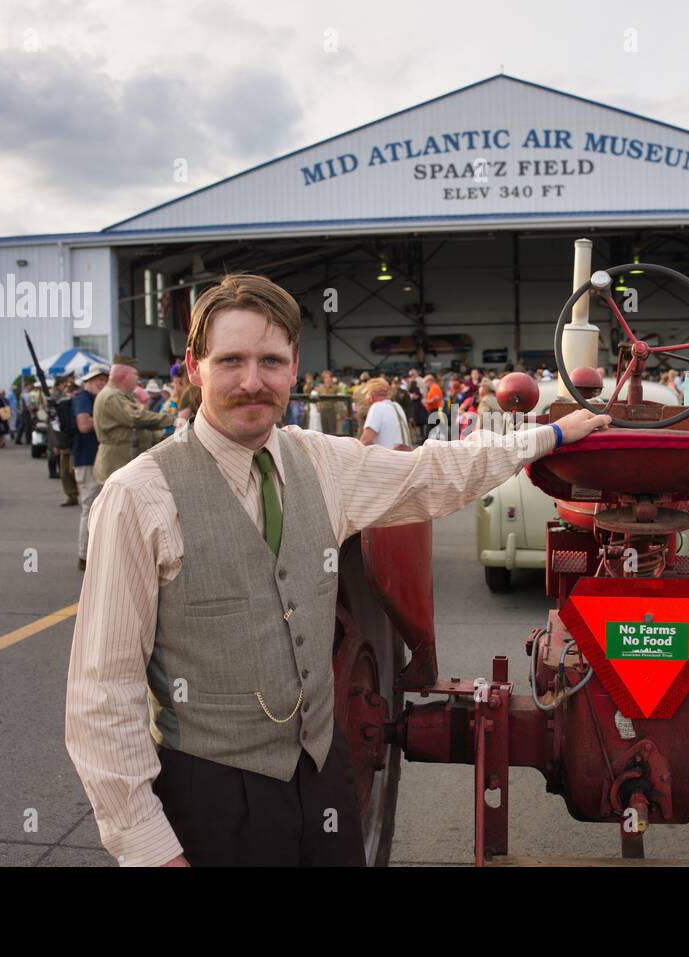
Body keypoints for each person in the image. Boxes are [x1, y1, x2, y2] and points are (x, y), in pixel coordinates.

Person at [64, 273, 610, 867]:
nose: (253, 382)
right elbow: (103, 690)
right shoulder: (137, 496)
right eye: (231, 361)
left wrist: (547, 436)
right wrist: (146, 847)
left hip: (325, 774)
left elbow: (433, 473)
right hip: (211, 794)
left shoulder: (319, 461)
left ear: (293, 367)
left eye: (270, 361)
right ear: (194, 368)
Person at [91, 356, 175, 485]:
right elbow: (137, 418)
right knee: (118, 503)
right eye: (135, 374)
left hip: (122, 461)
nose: (138, 378)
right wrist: (173, 420)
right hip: (117, 463)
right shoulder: (112, 396)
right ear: (124, 376)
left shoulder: (121, 395)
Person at [71, 364, 108, 571]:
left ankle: (91, 553)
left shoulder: (93, 398)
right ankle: (84, 555)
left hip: (94, 458)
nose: (100, 383)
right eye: (97, 380)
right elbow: (83, 425)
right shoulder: (82, 398)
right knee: (89, 506)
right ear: (88, 381)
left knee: (97, 506)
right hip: (86, 459)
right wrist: (106, 419)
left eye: (103, 379)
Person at [358, 378, 412, 449]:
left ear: (371, 395)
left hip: (387, 457)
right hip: (403, 456)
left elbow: (365, 440)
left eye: (366, 394)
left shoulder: (376, 407)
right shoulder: (397, 406)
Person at [52, 376, 79, 506]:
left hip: (75, 442)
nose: (70, 393)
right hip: (64, 442)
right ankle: (71, 495)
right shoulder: (61, 404)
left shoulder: (77, 403)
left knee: (75, 471)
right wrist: (56, 443)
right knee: (65, 472)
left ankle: (80, 494)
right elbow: (54, 425)